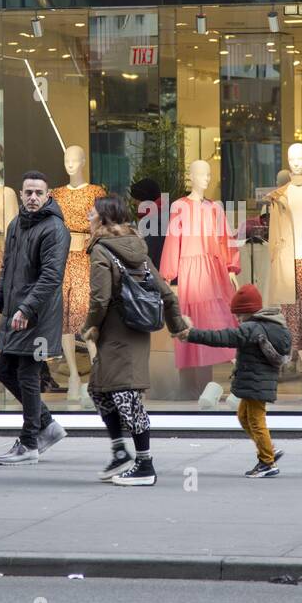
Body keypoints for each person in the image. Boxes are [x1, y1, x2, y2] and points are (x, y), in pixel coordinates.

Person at [80, 194, 186, 486]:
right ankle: (120, 453)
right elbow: (165, 291)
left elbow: (99, 299)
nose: (88, 218)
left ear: (103, 218)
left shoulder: (102, 250)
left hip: (117, 336)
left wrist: (89, 327)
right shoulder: (137, 248)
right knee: (100, 391)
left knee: (126, 397)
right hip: (134, 334)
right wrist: (177, 325)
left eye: (91, 214)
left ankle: (144, 464)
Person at [0, 171, 70, 465]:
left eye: (38, 193)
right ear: (21, 194)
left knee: (28, 375)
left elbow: (51, 277)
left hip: (38, 316)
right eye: (28, 192)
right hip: (17, 312)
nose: (32, 197)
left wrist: (26, 309)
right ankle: (47, 426)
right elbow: (8, 269)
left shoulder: (55, 229)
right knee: (4, 369)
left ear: (48, 195)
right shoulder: (16, 223)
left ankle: (30, 443)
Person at [179, 284, 292, 478]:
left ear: (249, 312)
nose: (237, 319)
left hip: (256, 384)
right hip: (255, 382)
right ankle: (268, 450)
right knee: (243, 416)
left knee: (256, 421)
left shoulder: (252, 328)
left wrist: (192, 334)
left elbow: (222, 337)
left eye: (239, 315)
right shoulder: (267, 324)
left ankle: (267, 462)